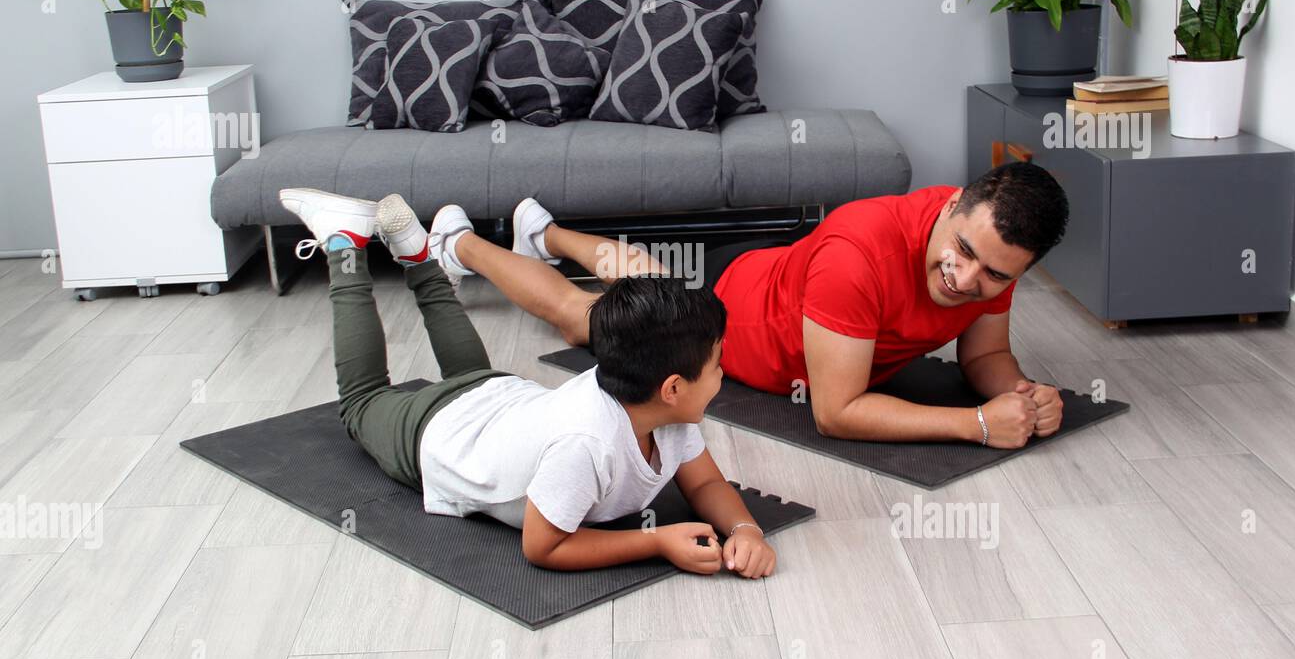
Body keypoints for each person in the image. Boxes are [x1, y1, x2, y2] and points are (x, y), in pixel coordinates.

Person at [278, 187, 776, 577]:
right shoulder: (586, 446)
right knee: (363, 400)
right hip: (435, 436)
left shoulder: (669, 415)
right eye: (716, 364)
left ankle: (418, 251)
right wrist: (655, 542)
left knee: (470, 374)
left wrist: (744, 529)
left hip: (497, 396)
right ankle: (345, 244)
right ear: (671, 387)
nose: (722, 372)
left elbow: (707, 481)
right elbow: (544, 546)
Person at [423, 162, 1069, 449]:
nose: (966, 278)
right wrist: (976, 424)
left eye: (995, 274)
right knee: (587, 316)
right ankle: (460, 244)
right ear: (953, 203)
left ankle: (545, 233)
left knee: (651, 272)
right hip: (733, 323)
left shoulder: (992, 246)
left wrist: (1020, 393)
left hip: (777, 276)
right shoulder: (861, 254)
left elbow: (984, 352)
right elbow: (836, 413)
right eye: (961, 251)